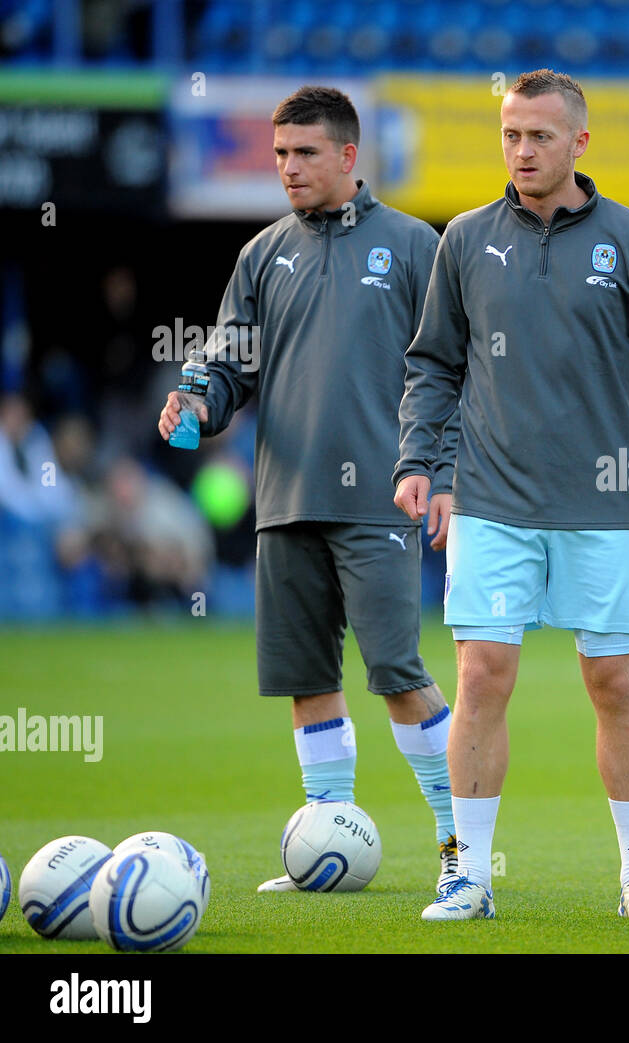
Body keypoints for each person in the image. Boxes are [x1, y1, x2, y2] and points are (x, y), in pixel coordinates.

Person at [393, 69, 629, 921]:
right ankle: (467, 872)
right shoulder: (462, 238)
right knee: (482, 674)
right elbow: (433, 366)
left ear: (579, 141)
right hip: (490, 500)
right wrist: (422, 463)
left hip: (603, 505)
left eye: (539, 135)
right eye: (510, 135)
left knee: (614, 683)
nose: (522, 150)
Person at [156, 86, 461, 893]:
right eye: (280, 153)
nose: (287, 167)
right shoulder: (261, 255)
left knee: (398, 670)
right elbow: (228, 369)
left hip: (380, 503)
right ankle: (328, 836)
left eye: (305, 153)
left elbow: (456, 373)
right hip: (283, 502)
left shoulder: (413, 245)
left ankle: (459, 844)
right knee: (307, 678)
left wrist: (445, 474)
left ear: (349, 157)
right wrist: (197, 401)